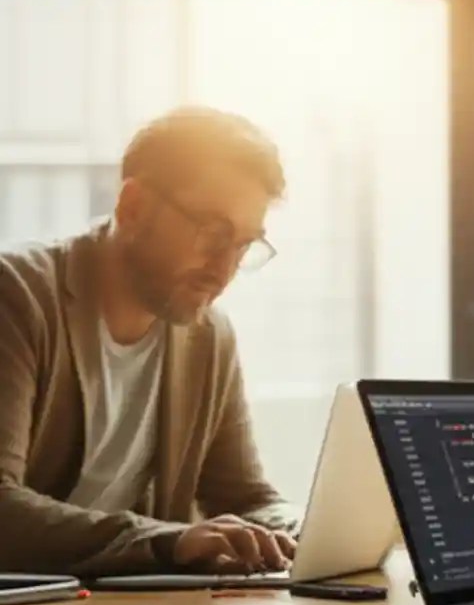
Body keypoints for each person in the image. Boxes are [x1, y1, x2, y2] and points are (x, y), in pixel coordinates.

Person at [0, 106, 300, 576]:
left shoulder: (208, 335)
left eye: (243, 244)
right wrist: (167, 541)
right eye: (212, 232)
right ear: (134, 207)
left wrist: (301, 531)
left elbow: (244, 497)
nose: (224, 267)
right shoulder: (17, 297)